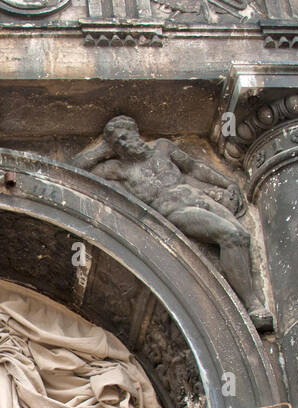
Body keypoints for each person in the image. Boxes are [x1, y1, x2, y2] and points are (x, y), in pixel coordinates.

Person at [75, 115, 270, 329]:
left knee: (241, 237)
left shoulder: (163, 147)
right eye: (117, 143)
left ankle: (245, 298)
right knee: (229, 235)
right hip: (174, 210)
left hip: (197, 198)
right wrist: (102, 149)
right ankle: (252, 305)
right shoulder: (118, 169)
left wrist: (227, 183)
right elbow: (75, 171)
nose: (123, 144)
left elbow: (194, 167)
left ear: (135, 132)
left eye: (125, 137)